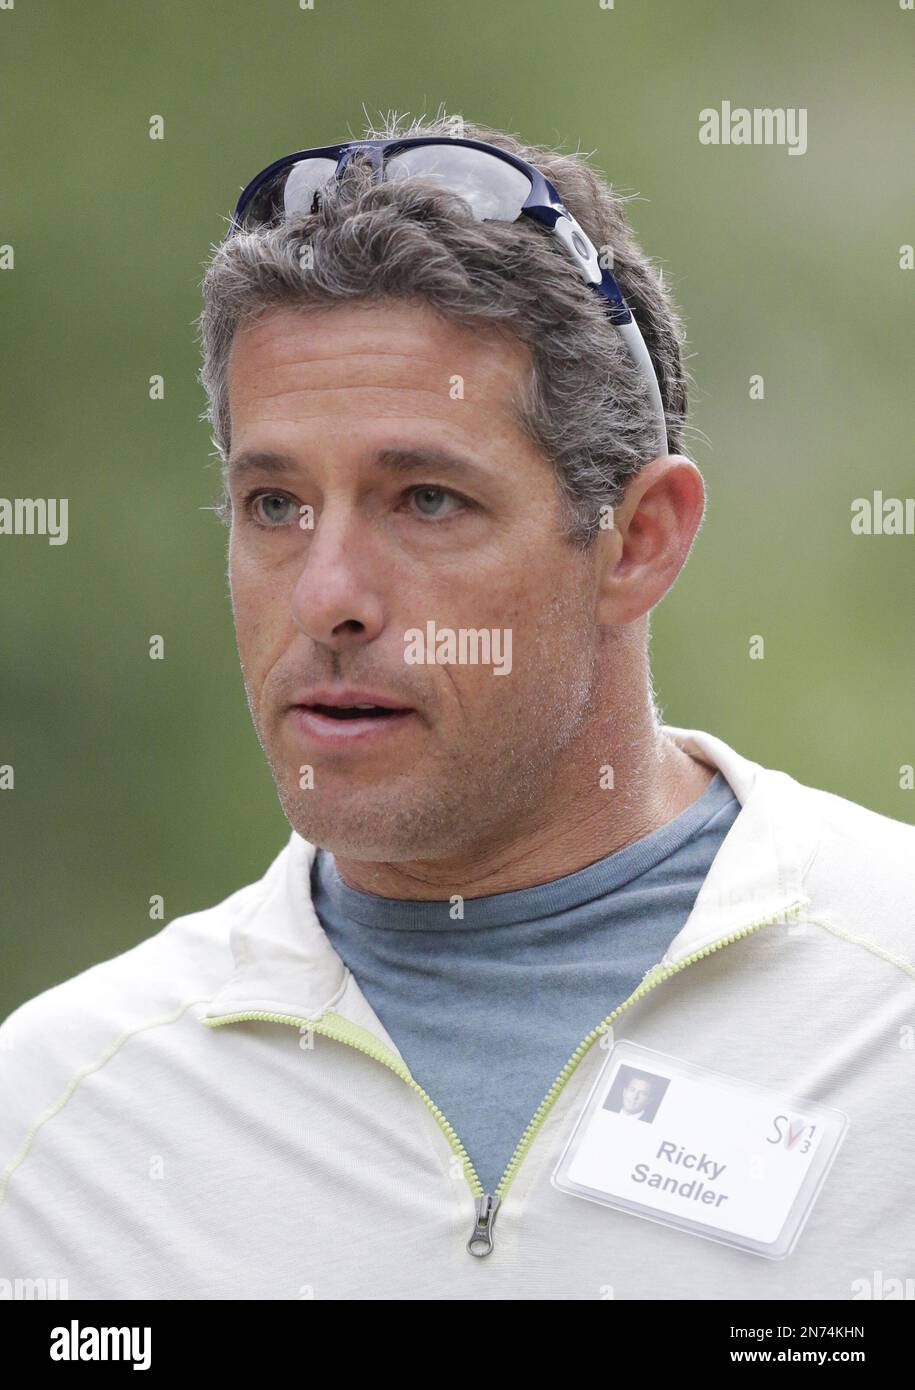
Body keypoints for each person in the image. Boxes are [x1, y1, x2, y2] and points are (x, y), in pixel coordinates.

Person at [1, 111, 913, 1300]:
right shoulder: (56, 1123)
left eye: (425, 500)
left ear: (637, 541)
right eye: (275, 505)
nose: (328, 597)